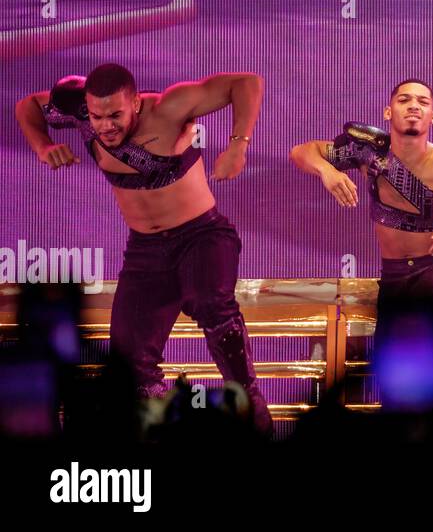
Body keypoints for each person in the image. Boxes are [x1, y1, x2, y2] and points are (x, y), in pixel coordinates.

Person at [14, 62, 272, 434]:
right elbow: (29, 106)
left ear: (135, 103)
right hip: (146, 251)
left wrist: (238, 146)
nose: (106, 126)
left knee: (211, 304)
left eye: (116, 115)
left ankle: (251, 409)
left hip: (201, 236)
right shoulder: (79, 108)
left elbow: (247, 82)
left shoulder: (170, 108)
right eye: (98, 116)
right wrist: (44, 145)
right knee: (130, 356)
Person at [288, 78, 433, 396]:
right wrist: (328, 170)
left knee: (426, 313)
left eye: (423, 101)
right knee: (392, 373)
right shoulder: (368, 156)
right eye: (404, 100)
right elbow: (301, 152)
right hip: (393, 278)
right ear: (388, 112)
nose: (414, 106)